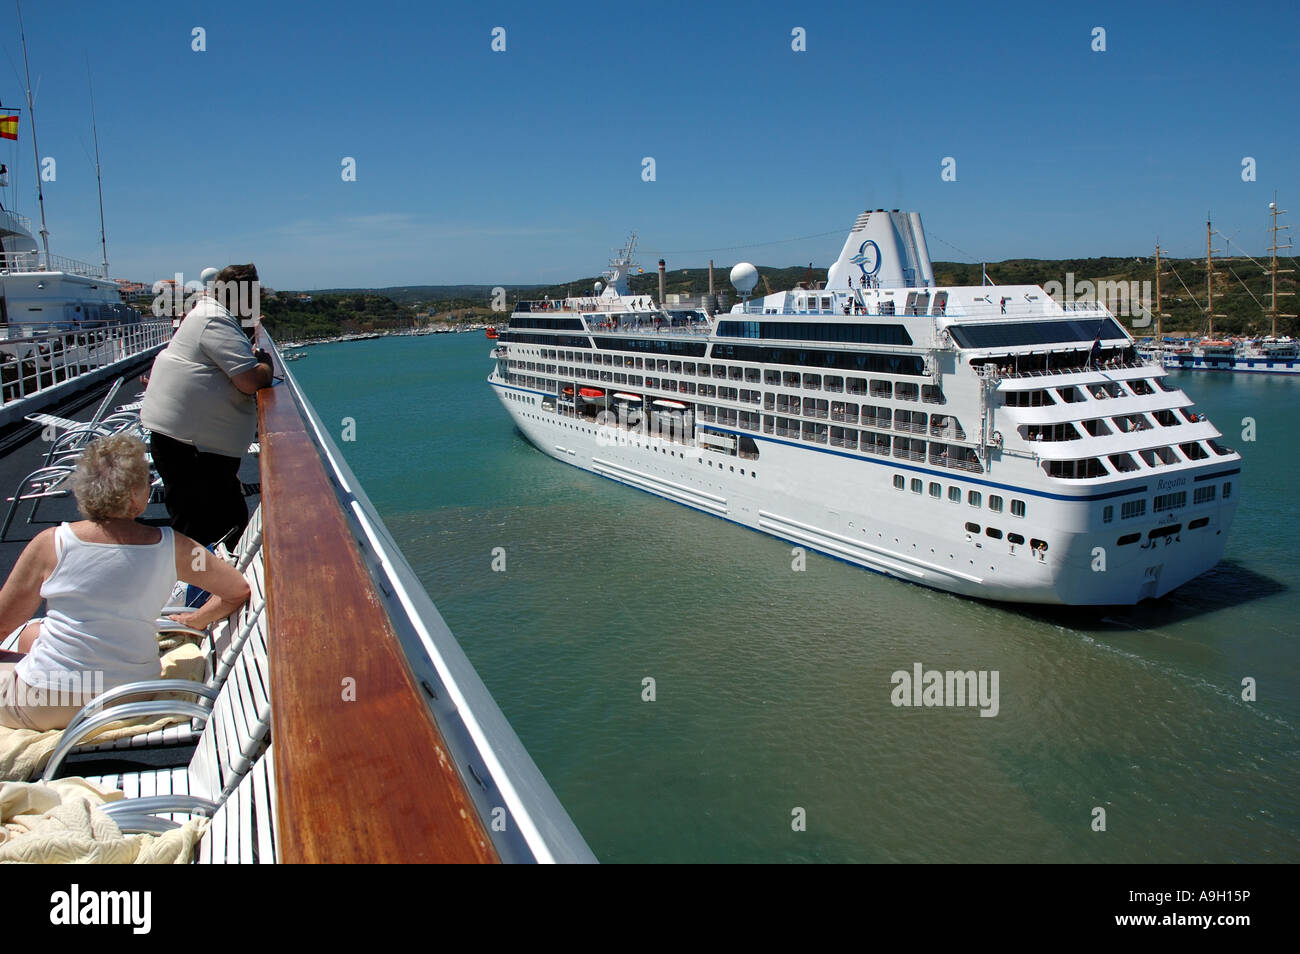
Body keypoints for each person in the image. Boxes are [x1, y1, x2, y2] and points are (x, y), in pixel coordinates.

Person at [0, 434, 252, 731]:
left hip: (48, 701)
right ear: (135, 496)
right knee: (32, 634)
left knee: (24, 638)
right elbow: (236, 590)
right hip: (131, 695)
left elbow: (4, 624)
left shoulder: (50, 545)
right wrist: (197, 619)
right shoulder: (177, 549)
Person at [141, 264, 273, 550]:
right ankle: (203, 592)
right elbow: (250, 380)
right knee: (212, 528)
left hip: (185, 442)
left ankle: (207, 588)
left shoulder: (208, 313)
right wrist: (266, 366)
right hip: (191, 448)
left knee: (210, 522)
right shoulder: (214, 320)